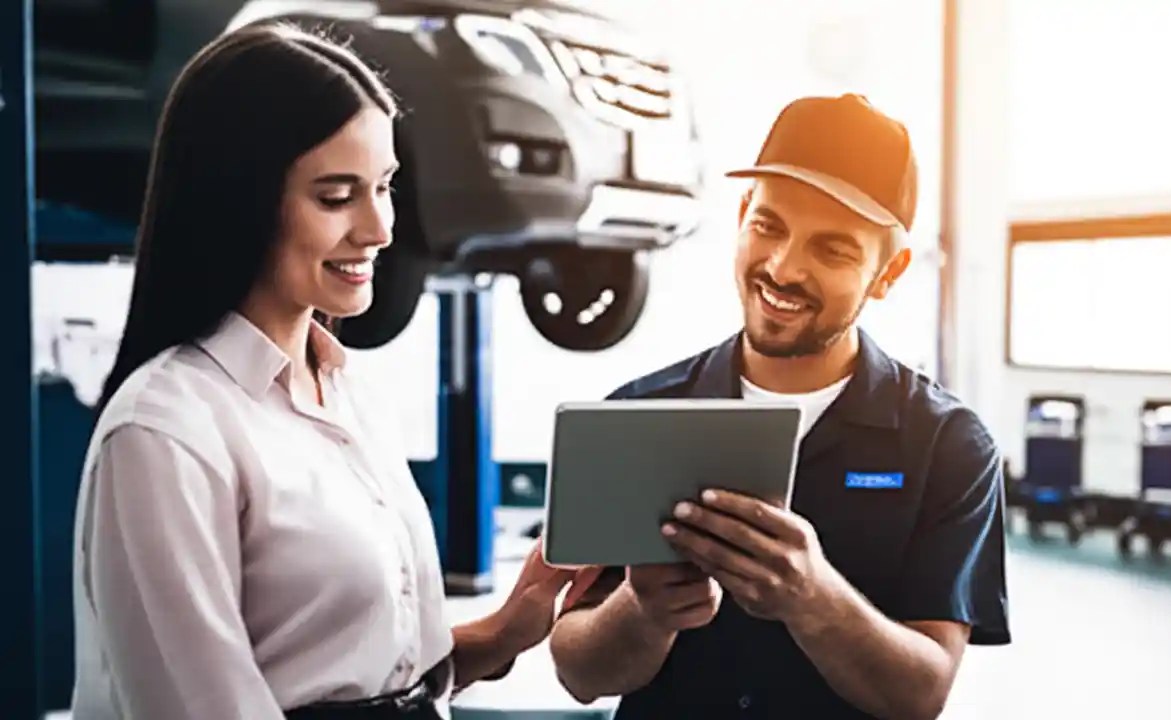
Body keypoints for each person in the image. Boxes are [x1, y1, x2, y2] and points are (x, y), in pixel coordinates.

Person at [70, 23, 572, 720]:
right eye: (337, 196)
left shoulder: (351, 395)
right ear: (239, 200)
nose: (380, 229)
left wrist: (509, 627)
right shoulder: (164, 431)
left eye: (385, 186)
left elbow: (368, 675)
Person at [548, 94, 1010, 719]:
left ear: (889, 271)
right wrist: (644, 611)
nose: (783, 267)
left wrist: (811, 596)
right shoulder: (635, 416)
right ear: (742, 215)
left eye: (833, 249)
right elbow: (578, 672)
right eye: (769, 226)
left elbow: (919, 696)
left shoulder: (948, 446)